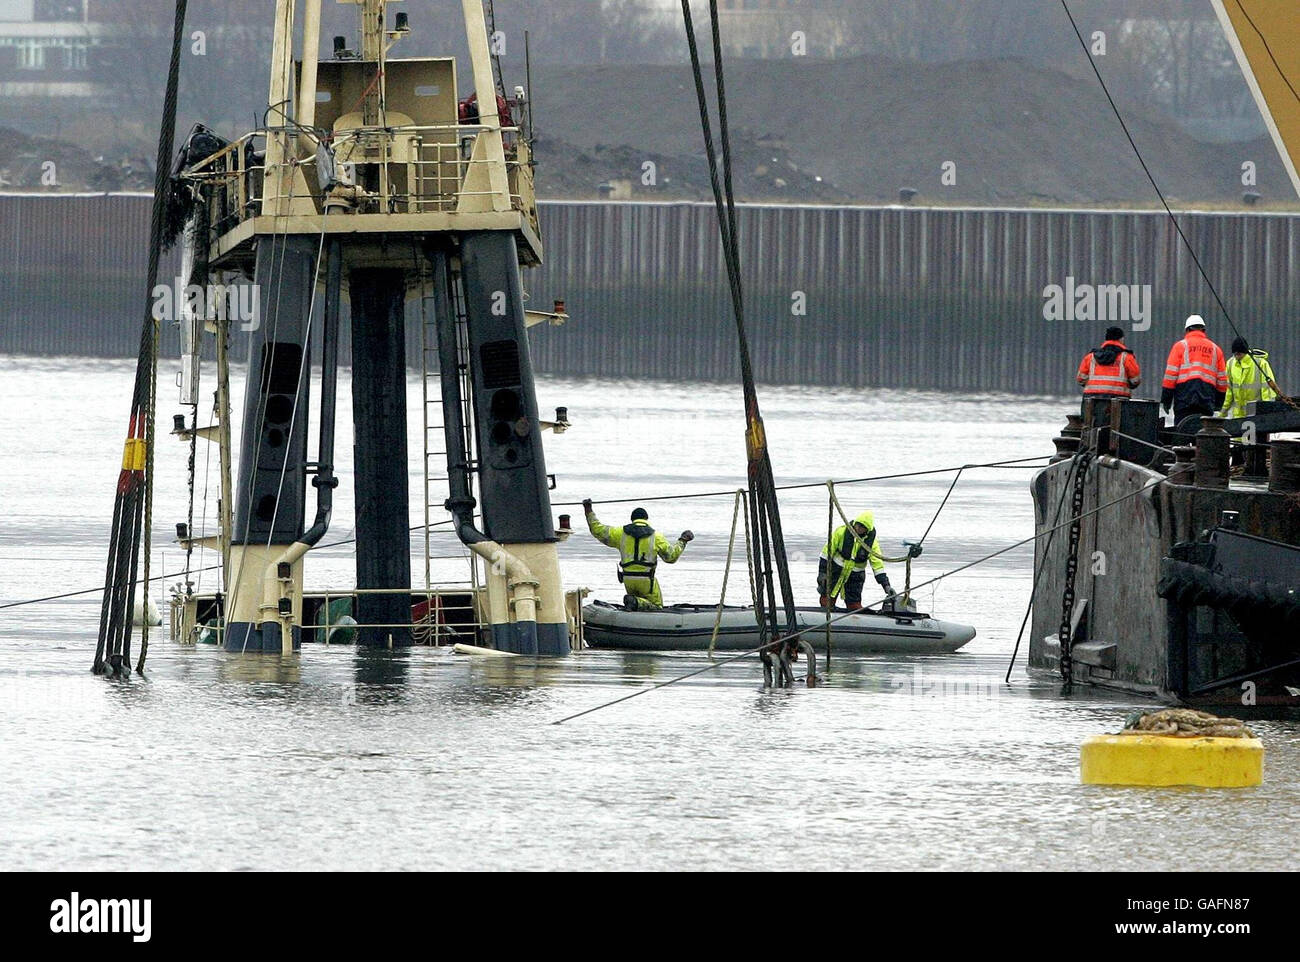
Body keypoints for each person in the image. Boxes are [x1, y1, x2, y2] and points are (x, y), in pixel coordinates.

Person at [583, 500, 693, 611]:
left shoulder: (620, 533)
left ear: (632, 520)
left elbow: (598, 530)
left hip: (628, 579)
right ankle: (635, 602)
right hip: (646, 580)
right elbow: (671, 557)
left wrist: (588, 510)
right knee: (657, 607)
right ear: (646, 519)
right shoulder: (656, 536)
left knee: (638, 607)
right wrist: (683, 540)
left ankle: (634, 604)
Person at [817, 510, 898, 610]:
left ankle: (855, 619)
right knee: (826, 599)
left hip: (855, 577)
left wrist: (886, 585)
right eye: (858, 525)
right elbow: (826, 554)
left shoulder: (871, 543)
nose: (858, 528)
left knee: (854, 605)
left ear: (867, 530)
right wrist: (822, 573)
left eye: (862, 527)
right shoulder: (841, 532)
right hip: (835, 571)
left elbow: (877, 566)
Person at [1161, 315, 1227, 428]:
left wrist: (1166, 401)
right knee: (1203, 435)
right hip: (1206, 400)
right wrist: (1218, 404)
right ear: (1203, 330)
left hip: (1183, 399)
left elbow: (1170, 376)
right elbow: (1222, 381)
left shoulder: (1180, 346)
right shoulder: (1216, 349)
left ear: (1187, 330)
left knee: (1182, 434)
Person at [1220, 337, 1281, 419]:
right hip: (1238, 416)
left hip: (1256, 415)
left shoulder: (1260, 364)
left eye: (1239, 354)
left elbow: (1267, 390)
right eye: (1235, 354)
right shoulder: (1230, 364)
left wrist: (1267, 413)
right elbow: (1229, 391)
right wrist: (1223, 413)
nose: (1236, 357)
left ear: (1245, 352)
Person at [1077, 326, 1141, 400]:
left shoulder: (1090, 357)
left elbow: (1081, 379)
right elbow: (1135, 380)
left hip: (1091, 398)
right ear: (1121, 339)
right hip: (1119, 398)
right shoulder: (1127, 357)